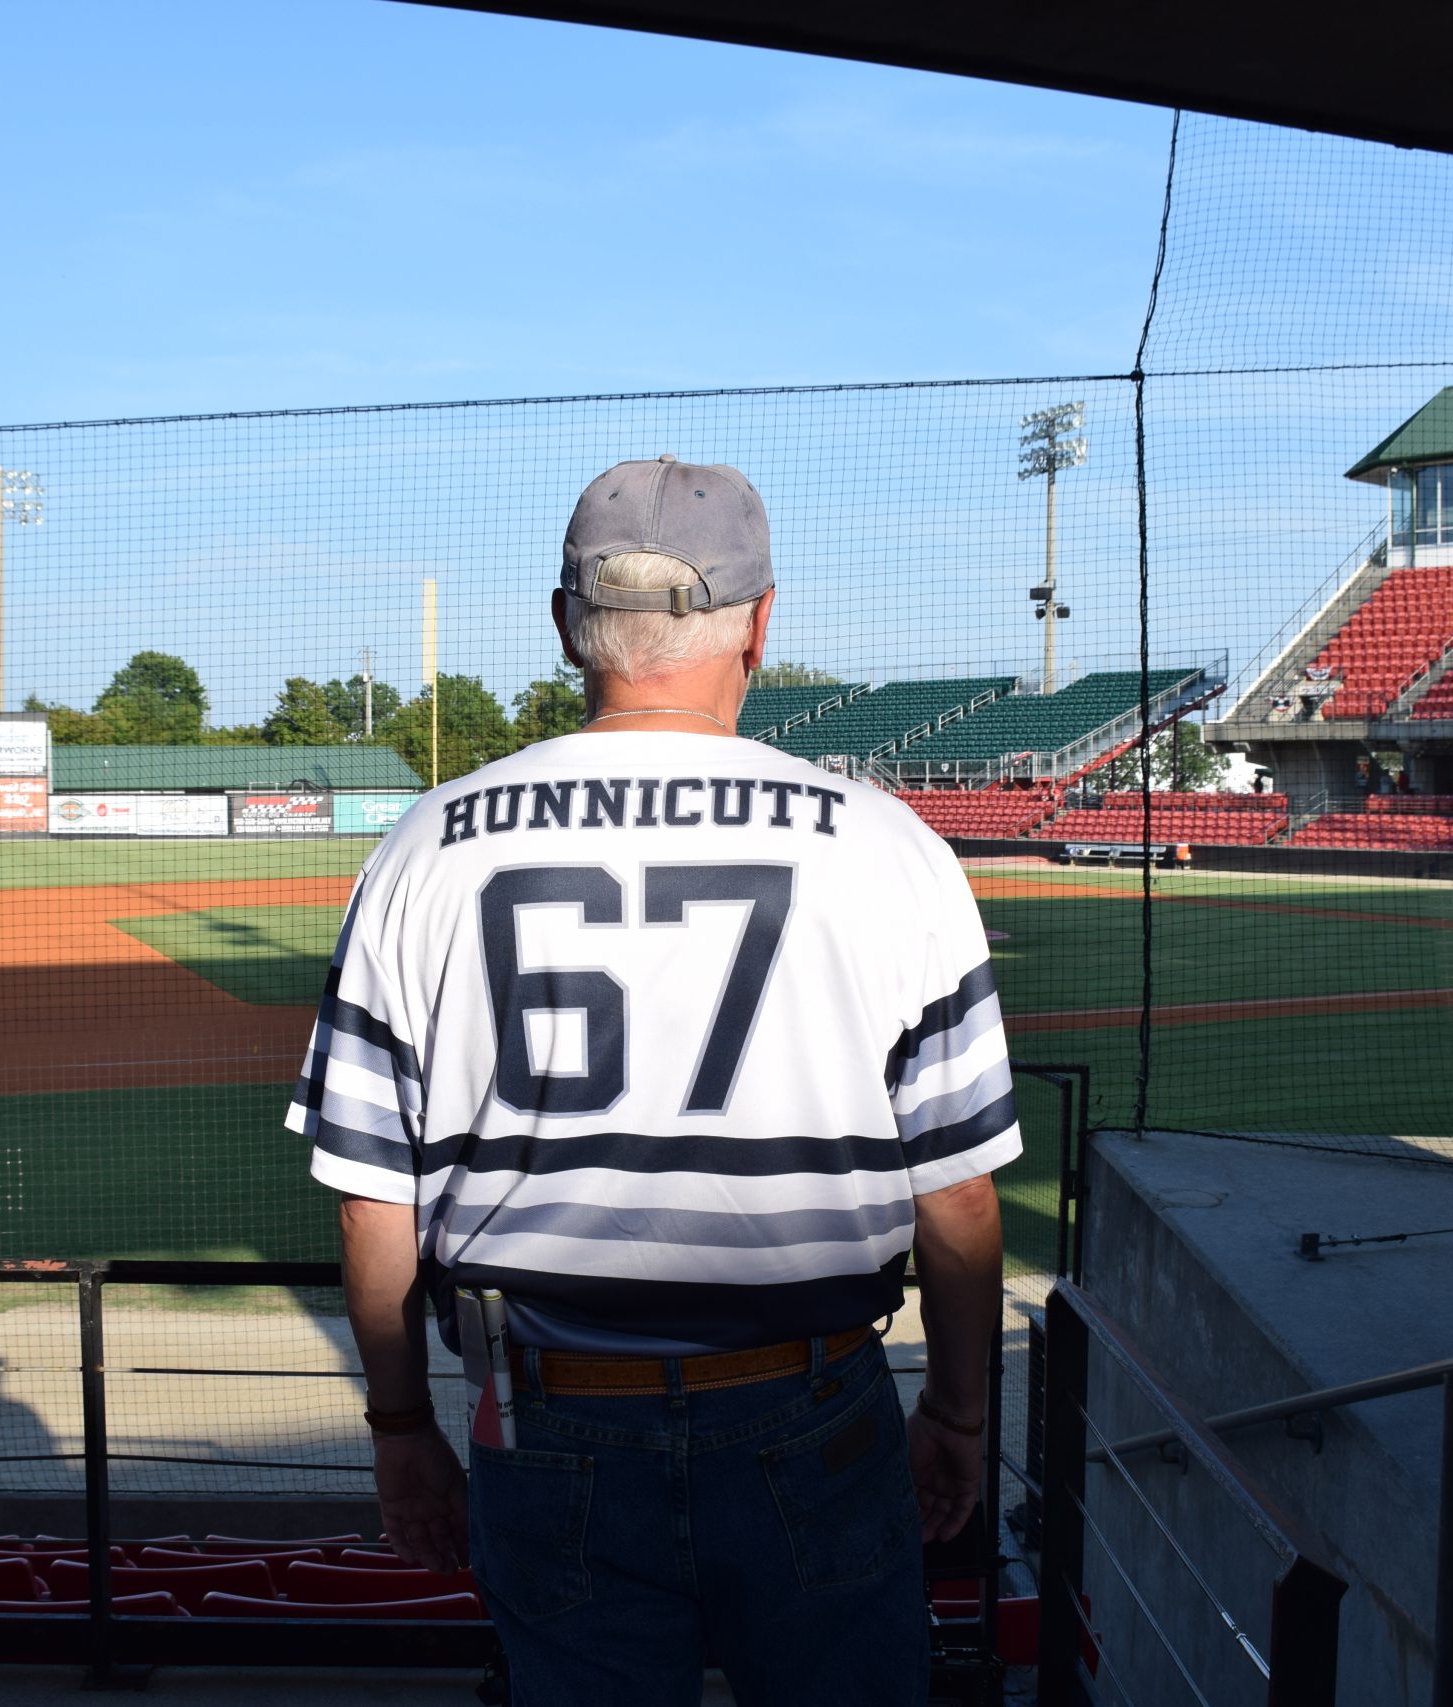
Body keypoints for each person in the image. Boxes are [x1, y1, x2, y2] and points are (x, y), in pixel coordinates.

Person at [289, 455, 1019, 1705]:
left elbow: (374, 1202)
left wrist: (400, 1431)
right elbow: (956, 1202)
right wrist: (958, 1415)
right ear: (763, 621)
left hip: (544, 1417)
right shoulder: (892, 848)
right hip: (815, 1404)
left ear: (566, 623)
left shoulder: (421, 849)